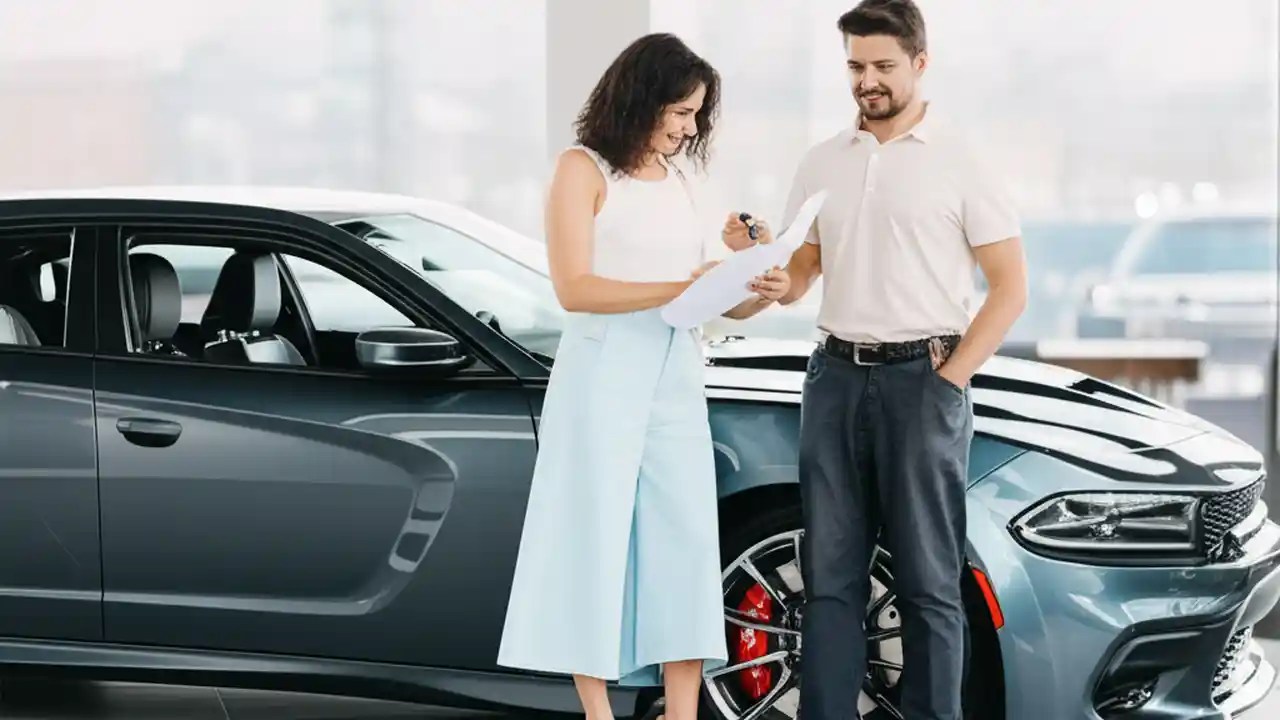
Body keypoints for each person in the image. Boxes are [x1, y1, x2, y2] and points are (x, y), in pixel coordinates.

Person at [497, 32, 791, 720]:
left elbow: (710, 298)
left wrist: (758, 281)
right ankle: (599, 713)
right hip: (601, 374)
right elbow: (576, 287)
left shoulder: (687, 181)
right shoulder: (583, 169)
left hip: (676, 373)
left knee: (682, 544)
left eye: (695, 116)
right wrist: (681, 288)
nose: (688, 128)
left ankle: (682, 713)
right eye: (680, 112)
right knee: (591, 538)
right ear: (641, 98)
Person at [759, 1, 1028, 718]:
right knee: (830, 581)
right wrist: (767, 272)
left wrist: (951, 380)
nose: (867, 81)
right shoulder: (821, 161)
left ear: (919, 62)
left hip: (924, 381)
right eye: (854, 66)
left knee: (929, 582)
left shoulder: (961, 161)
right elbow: (801, 274)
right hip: (834, 378)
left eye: (882, 66)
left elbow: (1010, 287)